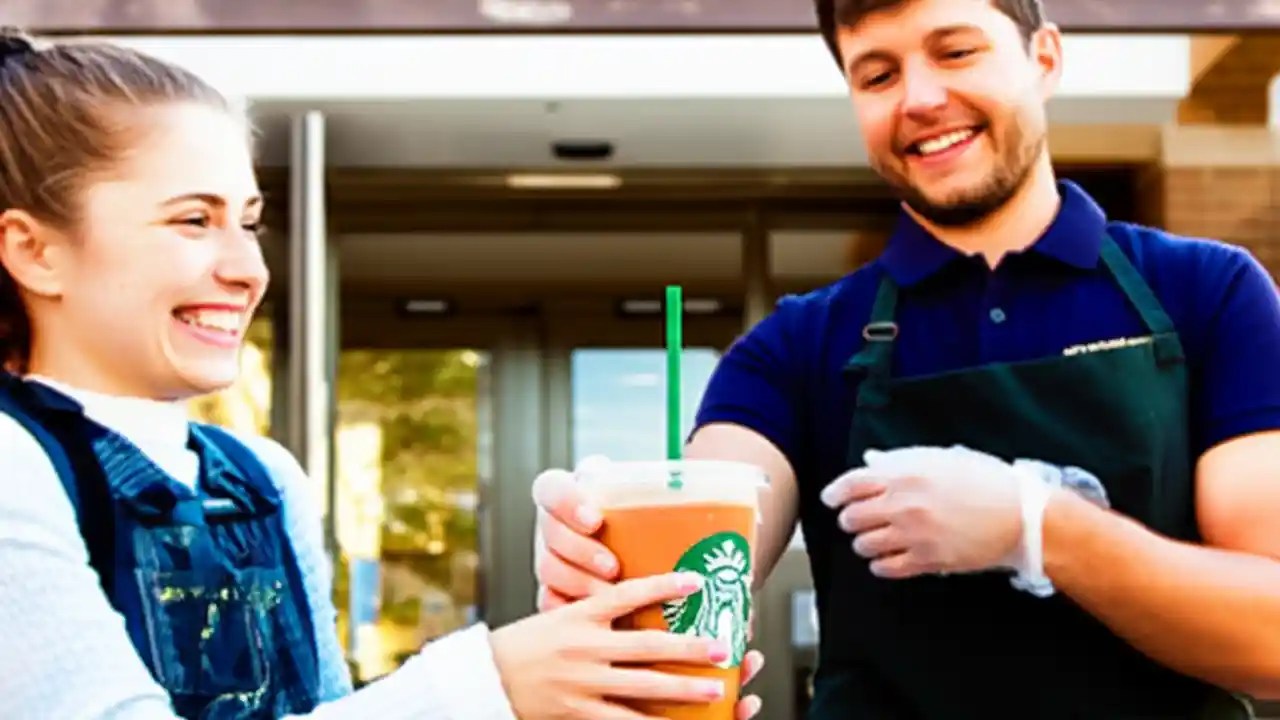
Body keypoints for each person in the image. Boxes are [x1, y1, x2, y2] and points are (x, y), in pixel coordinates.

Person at [532, 0, 1280, 718]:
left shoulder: (1208, 293)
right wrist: (610, 549)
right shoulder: (794, 347)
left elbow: (1270, 639)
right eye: (878, 75)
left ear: (1043, 59)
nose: (920, 99)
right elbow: (714, 522)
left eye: (956, 51)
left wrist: (1039, 527)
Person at [0, 29, 766, 720]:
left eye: (251, 221)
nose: (246, 268)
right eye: (193, 220)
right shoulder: (15, 463)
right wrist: (487, 686)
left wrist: (574, 698)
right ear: (36, 251)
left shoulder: (262, 476)